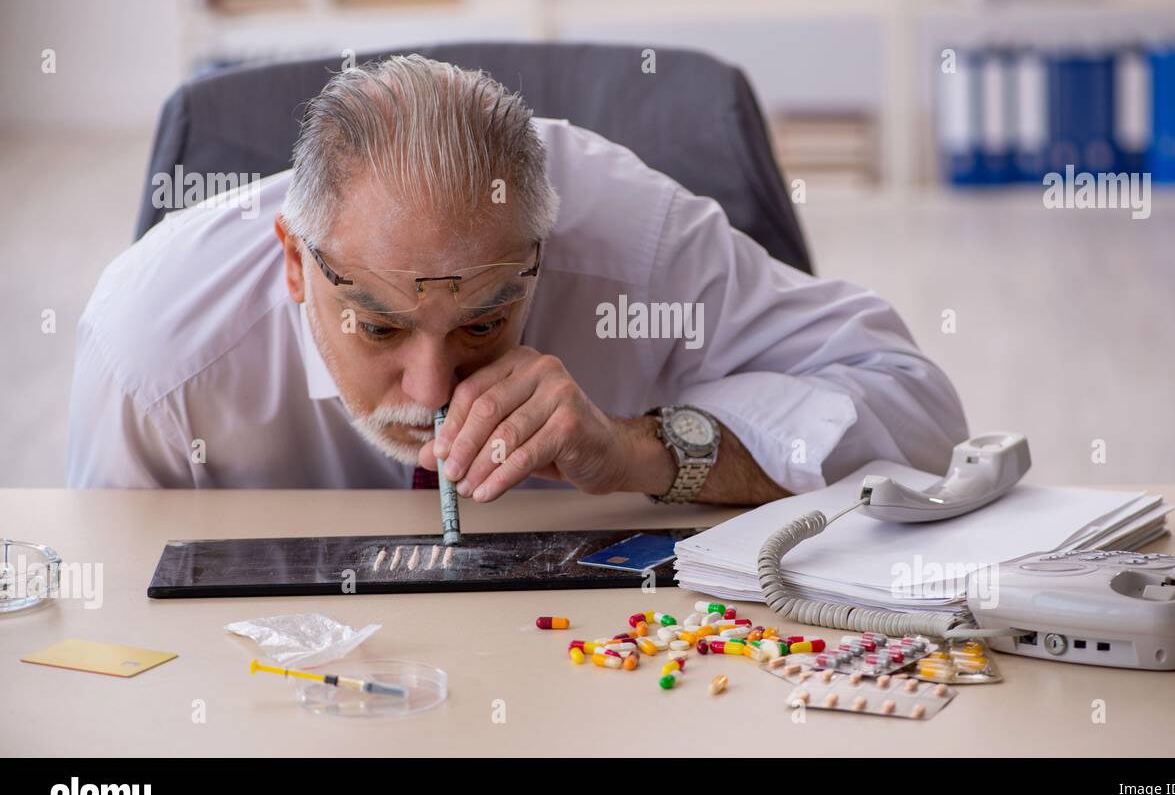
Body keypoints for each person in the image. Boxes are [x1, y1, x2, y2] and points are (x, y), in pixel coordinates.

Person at [67, 55, 967, 503]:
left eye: (484, 322)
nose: (431, 392)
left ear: (545, 245)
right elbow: (112, 651)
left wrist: (643, 448)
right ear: (297, 263)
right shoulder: (154, 346)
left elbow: (919, 412)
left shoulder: (627, 237)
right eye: (378, 327)